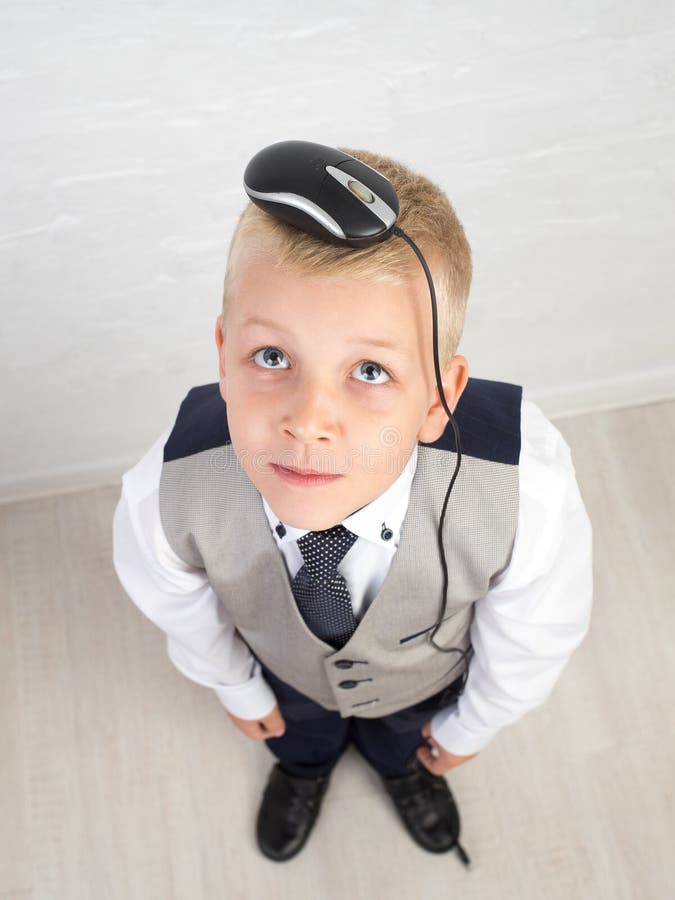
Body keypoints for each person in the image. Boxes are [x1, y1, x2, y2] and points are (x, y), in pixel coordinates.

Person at [112, 146, 593, 864]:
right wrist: (239, 690)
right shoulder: (166, 493)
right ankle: (304, 765)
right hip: (281, 667)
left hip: (423, 677)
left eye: (369, 370)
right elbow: (179, 609)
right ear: (222, 355)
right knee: (296, 726)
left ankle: (402, 765)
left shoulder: (527, 494)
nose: (308, 421)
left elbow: (534, 635)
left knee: (404, 734)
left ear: (438, 398)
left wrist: (469, 727)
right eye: (272, 357)